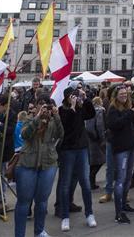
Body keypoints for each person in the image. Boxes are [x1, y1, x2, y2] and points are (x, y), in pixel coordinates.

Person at [13, 99, 63, 237]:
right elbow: (24, 135)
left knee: (42, 201)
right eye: (41, 105)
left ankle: (39, 231)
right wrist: (37, 118)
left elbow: (61, 134)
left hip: (48, 163)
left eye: (47, 106)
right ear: (36, 107)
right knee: (24, 202)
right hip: (28, 163)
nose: (45, 109)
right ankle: (19, 234)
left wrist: (57, 116)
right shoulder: (29, 118)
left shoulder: (53, 120)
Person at [56, 88, 97, 232]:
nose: (75, 98)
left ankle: (89, 213)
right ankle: (65, 216)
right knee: (65, 184)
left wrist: (85, 99)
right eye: (72, 96)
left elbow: (91, 113)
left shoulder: (80, 109)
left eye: (76, 95)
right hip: (68, 150)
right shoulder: (62, 110)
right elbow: (67, 127)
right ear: (67, 97)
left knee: (85, 183)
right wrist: (72, 108)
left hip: (82, 149)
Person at [105, 85, 134, 224]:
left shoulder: (129, 106)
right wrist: (130, 113)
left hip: (131, 145)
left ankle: (123, 204)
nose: (124, 96)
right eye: (121, 94)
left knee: (128, 177)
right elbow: (114, 125)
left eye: (125, 94)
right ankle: (118, 212)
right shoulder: (113, 109)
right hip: (121, 148)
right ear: (116, 96)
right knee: (120, 179)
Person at [85, 96, 106, 189]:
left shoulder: (89, 111)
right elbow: (100, 125)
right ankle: (91, 181)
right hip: (96, 139)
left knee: (93, 162)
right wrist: (102, 138)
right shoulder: (100, 111)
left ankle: (91, 181)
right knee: (100, 160)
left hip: (90, 138)